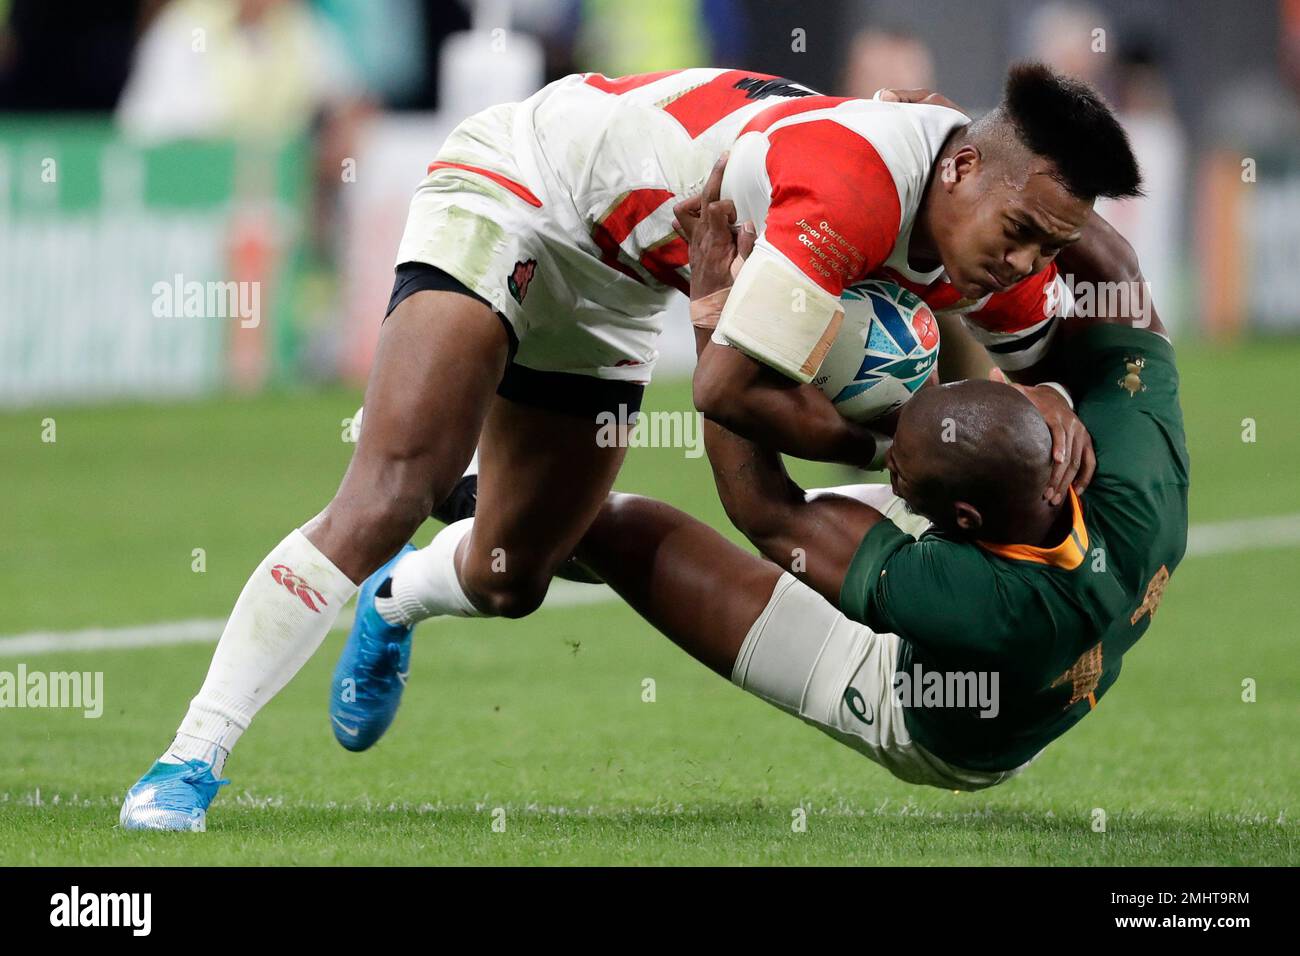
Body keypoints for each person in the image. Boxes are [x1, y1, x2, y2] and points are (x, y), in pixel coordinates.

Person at [121, 61, 1136, 829]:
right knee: (398, 478)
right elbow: (729, 389)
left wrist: (1031, 393)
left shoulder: (988, 233)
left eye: (1049, 244)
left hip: (619, 279)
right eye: (1022, 230)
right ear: (959, 165)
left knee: (514, 573)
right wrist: (896, 444)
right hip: (524, 183)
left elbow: (1008, 377)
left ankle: (396, 596)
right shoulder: (851, 186)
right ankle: (191, 756)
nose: (1026, 261)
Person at [564, 181, 1188, 788]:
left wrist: (717, 311)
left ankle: (483, 510)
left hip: (932, 713)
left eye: (897, 467)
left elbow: (767, 514)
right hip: (1038, 622)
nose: (883, 459)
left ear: (956, 523)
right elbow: (1119, 275)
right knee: (581, 531)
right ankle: (532, 531)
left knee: (620, 528)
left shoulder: (976, 601)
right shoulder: (1136, 468)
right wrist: (977, 167)